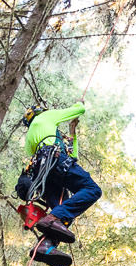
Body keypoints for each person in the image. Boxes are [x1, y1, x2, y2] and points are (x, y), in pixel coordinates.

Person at [20, 102, 102, 245]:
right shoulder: (46, 116)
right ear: (40, 112)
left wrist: (72, 131)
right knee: (92, 190)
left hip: (43, 175)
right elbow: (80, 109)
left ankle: (46, 246)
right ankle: (52, 220)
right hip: (55, 160)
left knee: (62, 210)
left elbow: (72, 155)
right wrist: (78, 104)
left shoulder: (32, 136)